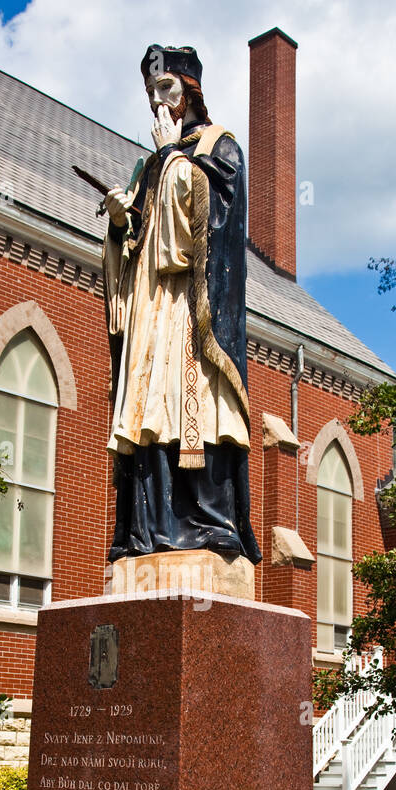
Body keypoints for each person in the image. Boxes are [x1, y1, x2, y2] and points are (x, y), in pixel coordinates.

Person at [102, 44, 262, 567]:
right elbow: (141, 240)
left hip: (191, 307)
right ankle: (149, 529)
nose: (158, 102)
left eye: (166, 88)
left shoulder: (220, 147)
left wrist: (173, 158)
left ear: (190, 89)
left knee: (192, 407)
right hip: (151, 302)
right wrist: (120, 221)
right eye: (151, 92)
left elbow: (214, 224)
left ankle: (206, 521)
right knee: (151, 409)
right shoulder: (149, 163)